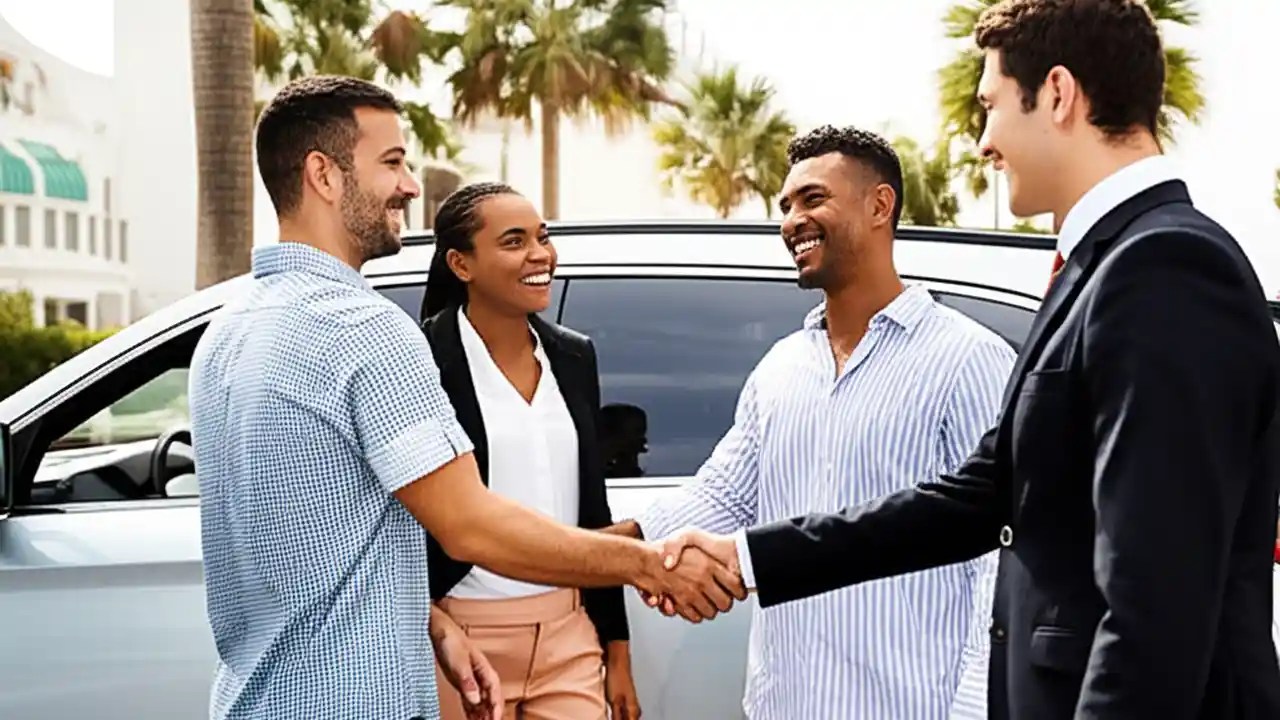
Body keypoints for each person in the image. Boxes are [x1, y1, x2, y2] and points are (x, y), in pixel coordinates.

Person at [660, 2, 1280, 719]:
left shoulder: (1167, 268)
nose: (984, 141)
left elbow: (1157, 603)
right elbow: (981, 496)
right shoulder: (1100, 267)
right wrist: (748, 559)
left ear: (1057, 94)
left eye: (989, 107)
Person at [188, 75, 743, 720]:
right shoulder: (363, 327)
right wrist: (646, 564)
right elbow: (469, 522)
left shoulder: (224, 333)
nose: (411, 185)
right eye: (391, 162)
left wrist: (436, 626)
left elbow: (311, 541)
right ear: (324, 174)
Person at [614, 125, 1017, 719]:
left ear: (880, 205)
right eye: (785, 206)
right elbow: (720, 495)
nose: (792, 221)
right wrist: (585, 552)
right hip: (785, 705)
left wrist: (974, 708)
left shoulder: (967, 358)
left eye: (813, 199)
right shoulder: (781, 367)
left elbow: (998, 561)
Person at [417, 181, 640, 720]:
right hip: (459, 641)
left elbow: (592, 511)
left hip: (568, 635)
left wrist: (617, 648)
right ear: (460, 264)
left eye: (543, 237)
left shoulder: (573, 356)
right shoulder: (423, 358)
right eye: (514, 242)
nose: (540, 254)